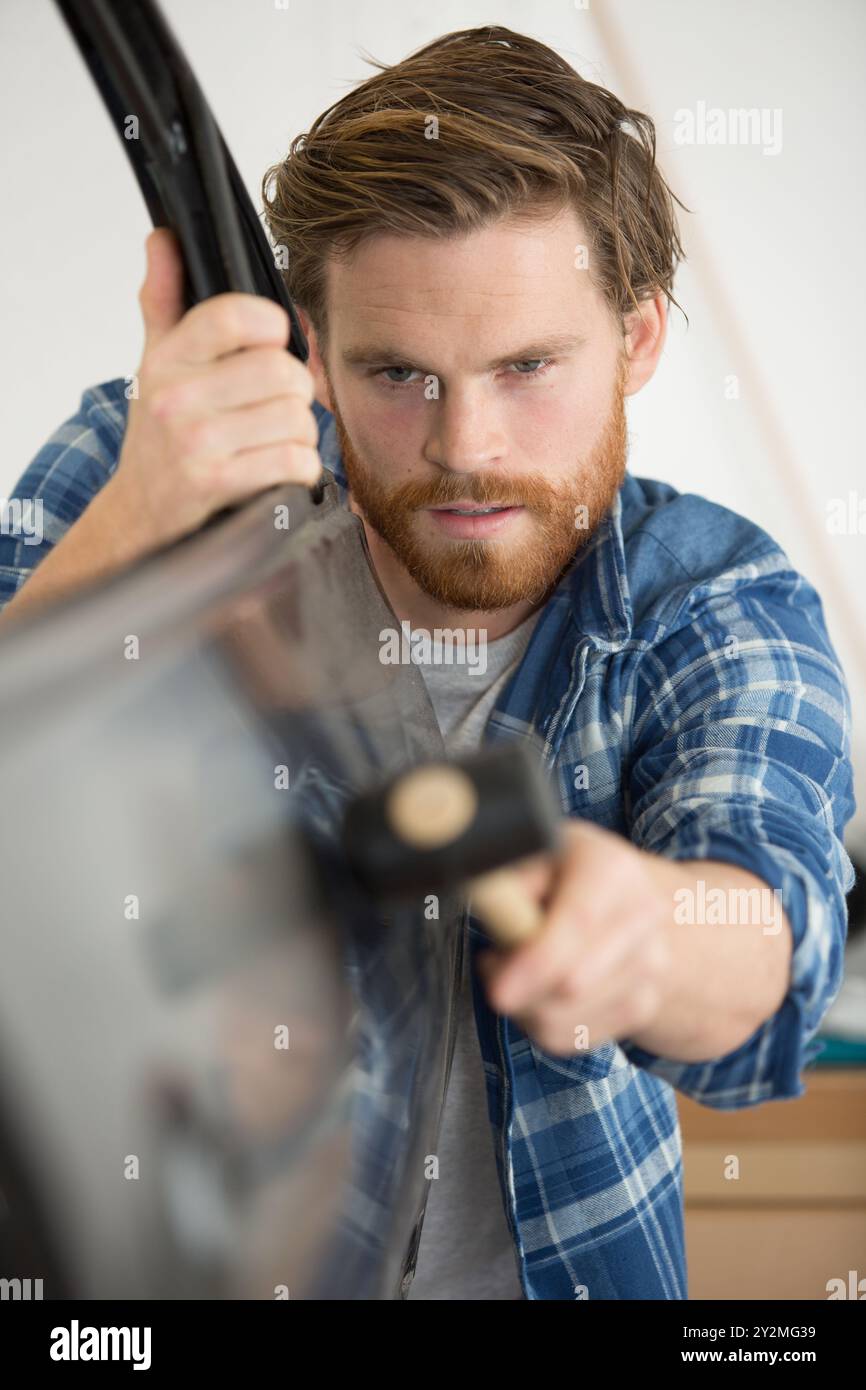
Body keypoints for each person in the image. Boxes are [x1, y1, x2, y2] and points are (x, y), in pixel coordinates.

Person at [0, 26, 854, 1300]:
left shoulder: (710, 594)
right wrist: (130, 531)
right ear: (309, 344)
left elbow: (768, 939)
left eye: (526, 368)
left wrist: (648, 933)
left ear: (635, 341)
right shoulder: (157, 454)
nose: (464, 445)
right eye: (395, 372)